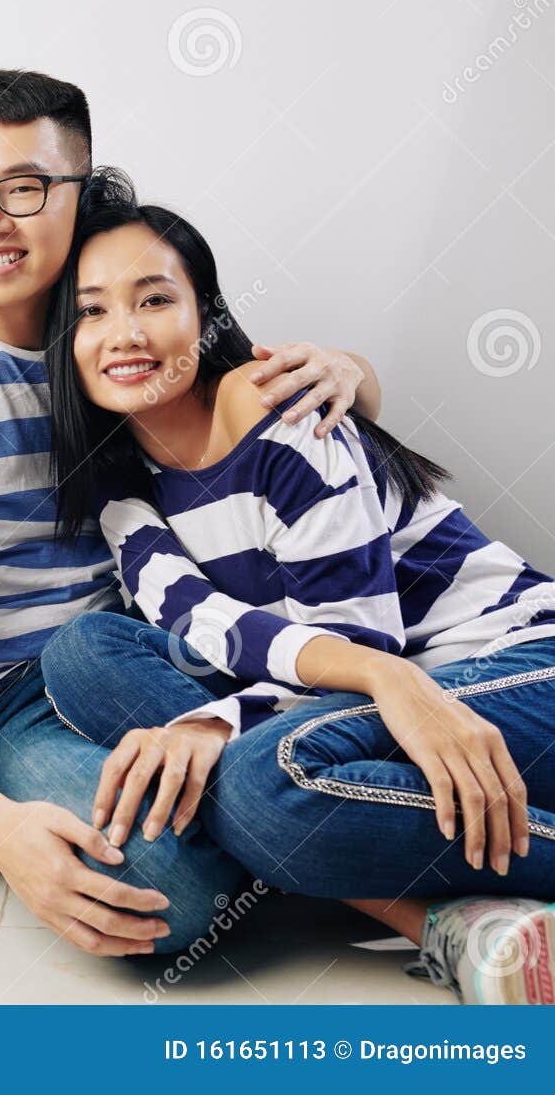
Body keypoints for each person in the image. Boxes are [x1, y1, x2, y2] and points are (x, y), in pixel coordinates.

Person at [0, 69, 383, 956]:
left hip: (144, 647)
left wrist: (350, 371)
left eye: (23, 188)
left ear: (80, 198)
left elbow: (236, 378)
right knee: (179, 893)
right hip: (0, 694)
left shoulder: (105, 324)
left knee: (268, 785)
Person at [38, 166, 555, 1003]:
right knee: (84, 653)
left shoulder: (279, 409)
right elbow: (218, 631)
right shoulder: (122, 494)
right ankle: (451, 908)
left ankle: (418, 888)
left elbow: (364, 648)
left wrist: (219, 722)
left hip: (516, 666)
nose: (123, 332)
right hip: (375, 699)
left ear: (207, 316)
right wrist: (217, 716)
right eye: (91, 311)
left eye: (154, 299)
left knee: (262, 785)